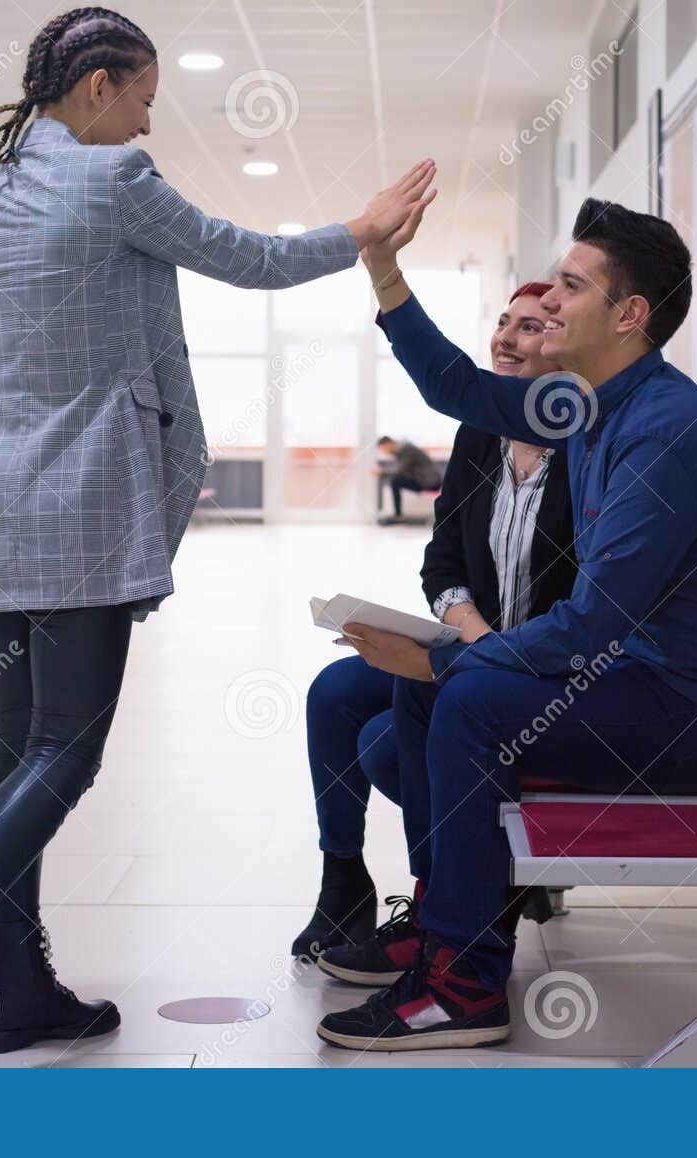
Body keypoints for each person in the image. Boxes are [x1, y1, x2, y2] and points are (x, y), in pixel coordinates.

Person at [0, 6, 437, 1068]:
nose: (148, 123)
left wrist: (12, 414)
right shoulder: (113, 181)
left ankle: (19, 991)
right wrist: (363, 232)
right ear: (98, 88)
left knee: (18, 747)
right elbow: (246, 257)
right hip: (79, 504)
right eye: (145, 99)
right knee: (66, 750)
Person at [317, 196, 697, 1051]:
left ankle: (467, 984)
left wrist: (456, 658)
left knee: (460, 695)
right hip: (653, 681)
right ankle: (445, 931)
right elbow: (458, 387)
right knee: (437, 691)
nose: (552, 297)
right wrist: (386, 272)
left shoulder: (664, 431)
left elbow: (589, 626)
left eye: (572, 286)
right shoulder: (589, 407)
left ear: (628, 314)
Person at [294, 284, 577, 963]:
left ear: (568, 344)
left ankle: (443, 902)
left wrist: (484, 653)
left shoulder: (588, 448)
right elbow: (442, 558)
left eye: (530, 327)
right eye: (502, 321)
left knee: (388, 738)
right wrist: (468, 626)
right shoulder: (481, 433)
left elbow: (596, 603)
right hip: (484, 645)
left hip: (551, 668)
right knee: (334, 692)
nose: (506, 338)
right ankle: (345, 883)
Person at [375, 435, 443, 523]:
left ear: (388, 444)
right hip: (426, 480)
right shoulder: (403, 449)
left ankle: (398, 516)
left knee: (395, 481)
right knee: (396, 480)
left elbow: (402, 470)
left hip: (431, 482)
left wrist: (382, 473)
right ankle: (398, 515)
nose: (384, 452)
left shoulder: (406, 449)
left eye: (383, 449)